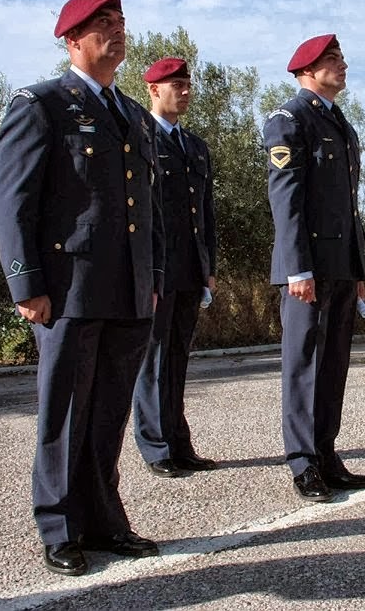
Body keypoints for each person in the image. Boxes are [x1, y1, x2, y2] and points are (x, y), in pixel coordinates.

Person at [0, 0, 163, 576]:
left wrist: (155, 276)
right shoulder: (42, 105)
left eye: (120, 23)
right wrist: (25, 285)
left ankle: (104, 519)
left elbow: (151, 208)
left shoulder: (135, 116)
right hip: (69, 287)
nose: (116, 32)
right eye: (101, 25)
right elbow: (13, 204)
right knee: (64, 409)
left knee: (111, 409)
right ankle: (60, 527)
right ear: (72, 40)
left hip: (129, 287)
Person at [264, 34, 365, 502]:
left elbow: (348, 206)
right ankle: (303, 462)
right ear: (306, 70)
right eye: (333, 60)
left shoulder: (340, 124)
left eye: (343, 58)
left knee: (333, 365)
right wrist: (296, 269)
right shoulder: (289, 120)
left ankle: (326, 454)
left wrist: (359, 264)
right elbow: (286, 200)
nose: (343, 65)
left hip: (340, 264)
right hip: (306, 268)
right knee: (304, 363)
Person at [132, 57, 218, 478]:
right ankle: (156, 446)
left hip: (189, 266)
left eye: (187, 84)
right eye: (176, 85)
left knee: (179, 357)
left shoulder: (195, 146)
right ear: (154, 90)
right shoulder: (139, 137)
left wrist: (209, 264)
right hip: (156, 267)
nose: (184, 91)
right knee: (153, 357)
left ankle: (180, 443)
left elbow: (205, 211)